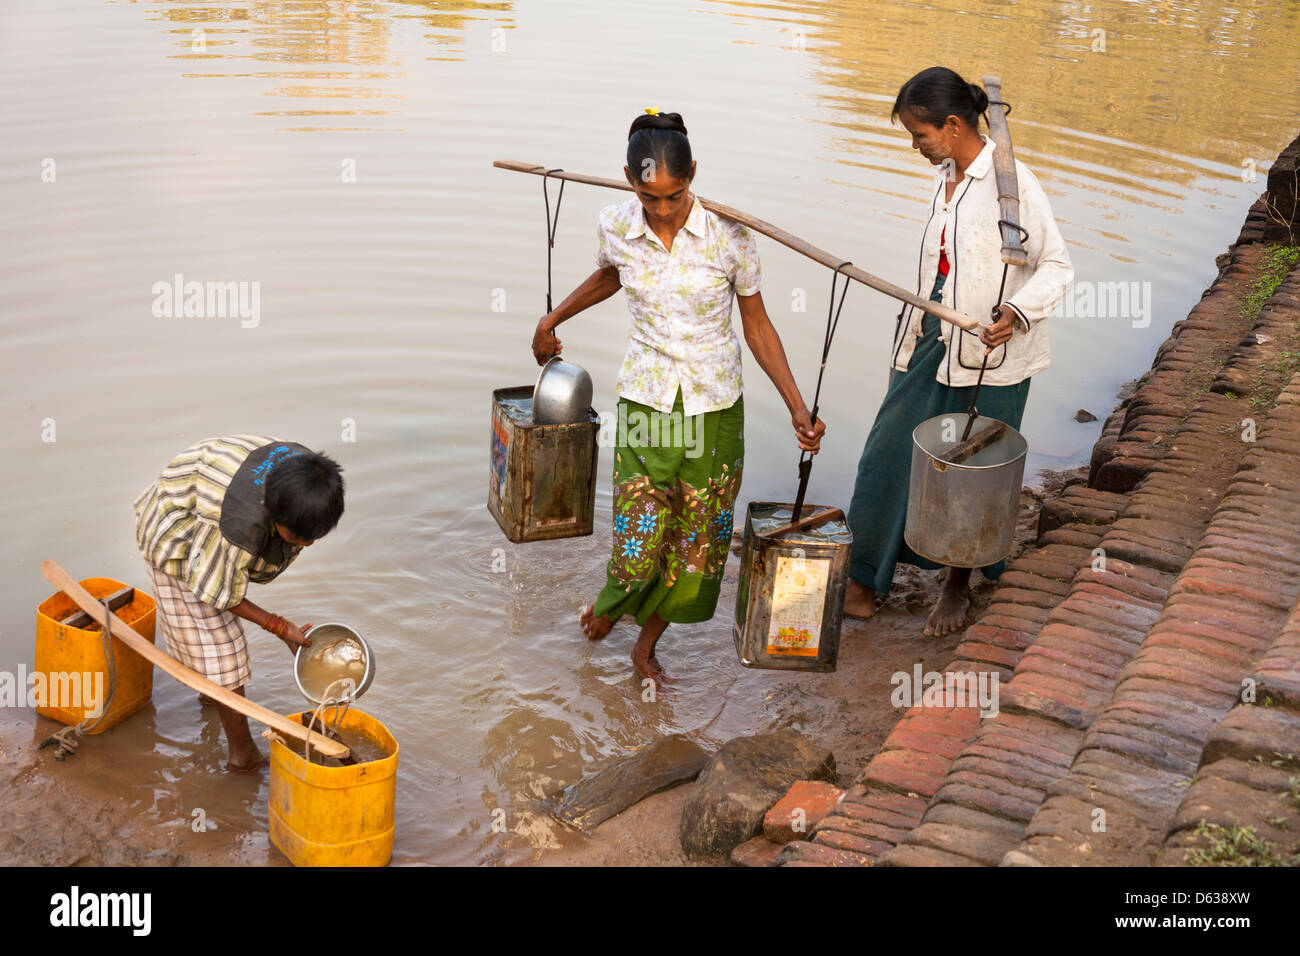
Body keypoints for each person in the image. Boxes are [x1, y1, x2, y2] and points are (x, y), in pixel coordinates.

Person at [532, 109, 826, 684]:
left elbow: (758, 325)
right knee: (640, 537)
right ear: (628, 179)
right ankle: (611, 604)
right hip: (648, 404)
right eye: (650, 197)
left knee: (697, 544)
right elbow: (613, 273)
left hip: (714, 408)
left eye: (676, 195)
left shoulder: (730, 235)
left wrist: (796, 404)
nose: (663, 209)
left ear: (694, 173)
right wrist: (554, 317)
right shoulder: (616, 224)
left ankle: (643, 646)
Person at [843, 67, 1073, 636]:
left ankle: (955, 585)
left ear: (951, 125)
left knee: (970, 470)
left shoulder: (1013, 184)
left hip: (991, 353)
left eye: (919, 135)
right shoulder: (947, 175)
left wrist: (1016, 313)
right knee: (888, 454)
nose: (915, 146)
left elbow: (1059, 267)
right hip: (930, 336)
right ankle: (865, 577)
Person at [134, 436, 345, 772]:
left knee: (215, 649)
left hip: (205, 508)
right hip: (176, 531)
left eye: (313, 537)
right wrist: (278, 626)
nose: (307, 545)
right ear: (268, 511)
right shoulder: (235, 527)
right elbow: (216, 591)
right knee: (224, 652)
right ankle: (242, 756)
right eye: (297, 538)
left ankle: (213, 694)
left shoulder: (311, 477)